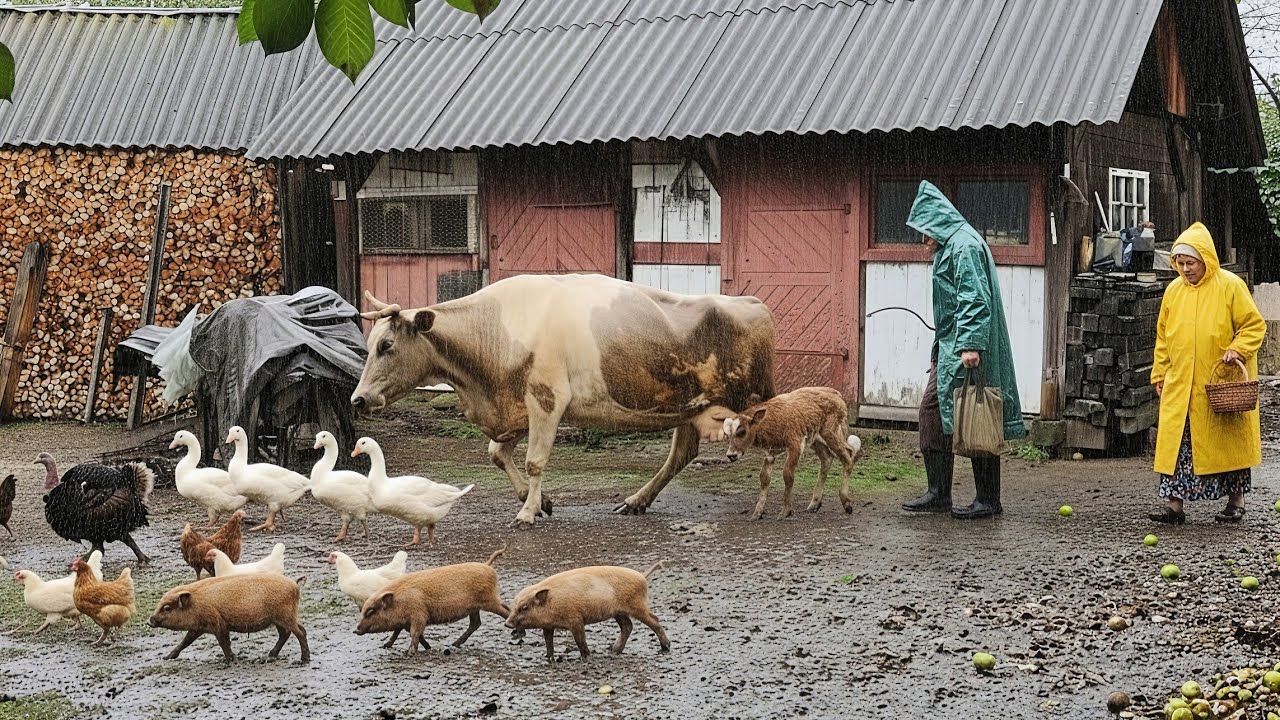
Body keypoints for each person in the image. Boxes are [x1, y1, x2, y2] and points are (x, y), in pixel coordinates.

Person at [901, 181, 1026, 520]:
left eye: (925, 232)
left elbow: (974, 297)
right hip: (949, 346)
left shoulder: (964, 246)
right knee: (933, 412)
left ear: (937, 223)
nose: (923, 241)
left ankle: (988, 499)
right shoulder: (952, 245)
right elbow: (950, 307)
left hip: (967, 347)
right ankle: (938, 492)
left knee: (975, 414)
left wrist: (970, 344)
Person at [1149, 223, 1265, 524]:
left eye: (1191, 263)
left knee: (1228, 444)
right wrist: (1159, 372)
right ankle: (1174, 506)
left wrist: (1237, 349)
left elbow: (1253, 325)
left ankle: (1235, 502)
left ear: (1206, 260)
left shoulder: (1230, 285)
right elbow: (1163, 336)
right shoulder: (1173, 291)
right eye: (1180, 263)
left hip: (1219, 383)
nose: (1185, 269)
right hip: (1181, 383)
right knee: (1177, 445)